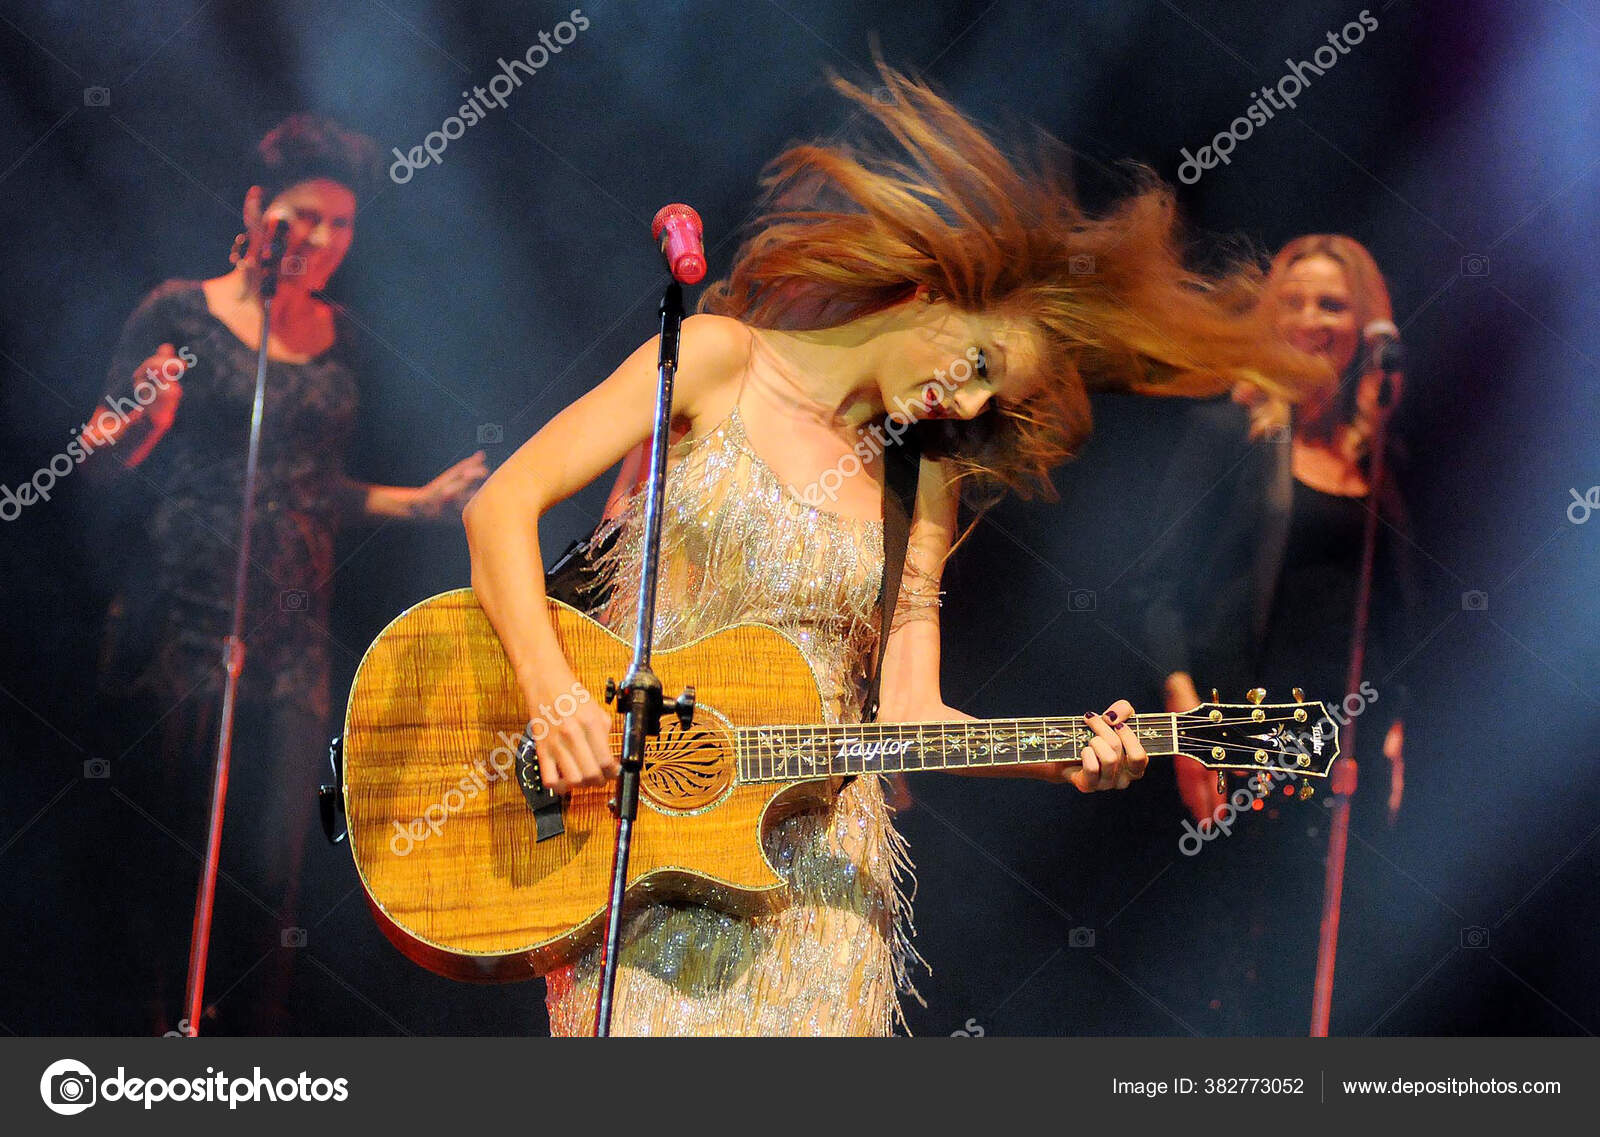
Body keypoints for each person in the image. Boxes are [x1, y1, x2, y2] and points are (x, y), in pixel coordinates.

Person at [462, 63, 1326, 1037]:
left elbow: (912, 714)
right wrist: (554, 694)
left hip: (818, 893)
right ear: (929, 291)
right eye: (974, 367)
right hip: (640, 837)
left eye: (985, 402)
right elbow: (503, 505)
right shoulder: (715, 359)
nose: (960, 406)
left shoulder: (923, 489)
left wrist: (1057, 759)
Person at [87, 114, 486, 1034]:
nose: (318, 240)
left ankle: (247, 1077)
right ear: (257, 209)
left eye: (339, 225)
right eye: (303, 217)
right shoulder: (178, 312)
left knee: (267, 884)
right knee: (167, 864)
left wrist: (414, 503)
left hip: (291, 645)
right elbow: (102, 457)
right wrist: (141, 422)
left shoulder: (341, 338)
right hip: (181, 620)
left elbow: (310, 487)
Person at [1126, 233, 1420, 1032]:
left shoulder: (1376, 455)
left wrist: (1389, 726)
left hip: (1337, 761)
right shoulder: (1234, 435)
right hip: (1234, 740)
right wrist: (1184, 723)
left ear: (1365, 324)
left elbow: (1391, 613)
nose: (1310, 319)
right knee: (1216, 980)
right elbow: (1155, 588)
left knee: (1305, 984)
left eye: (1331, 303)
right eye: (1292, 301)